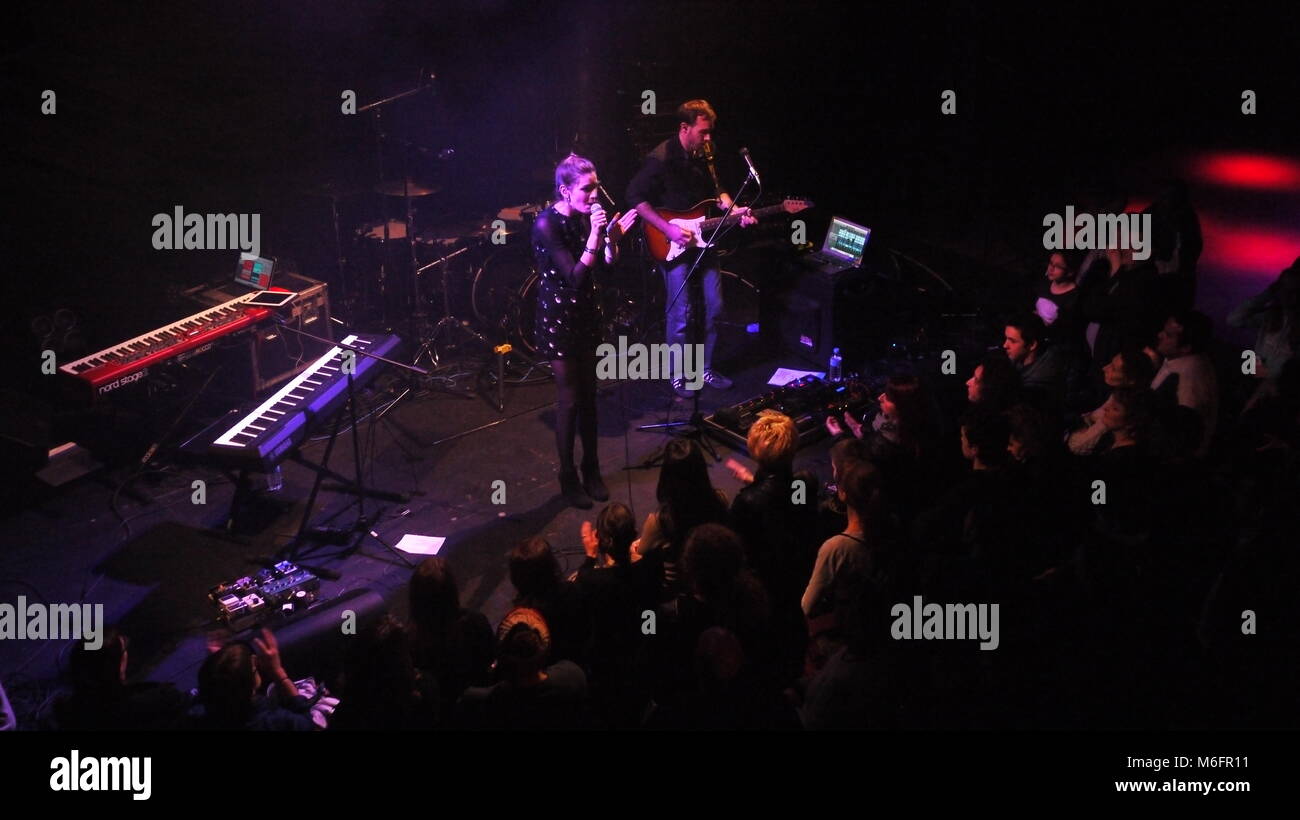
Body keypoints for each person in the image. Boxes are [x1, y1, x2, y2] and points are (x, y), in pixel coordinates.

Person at [626, 99, 756, 398]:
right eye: (703, 132)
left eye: (710, 132)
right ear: (685, 128)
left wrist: (733, 209)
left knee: (715, 306)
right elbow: (634, 197)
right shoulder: (661, 158)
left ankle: (705, 368)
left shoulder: (706, 153)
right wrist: (667, 228)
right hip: (671, 240)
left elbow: (718, 190)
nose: (708, 138)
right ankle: (678, 374)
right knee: (681, 312)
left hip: (703, 238)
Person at [532, 153, 638, 508]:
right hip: (558, 318)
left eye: (596, 187)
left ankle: (591, 468)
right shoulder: (546, 224)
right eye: (587, 189)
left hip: (587, 315)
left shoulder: (583, 218)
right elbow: (575, 277)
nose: (595, 196)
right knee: (570, 399)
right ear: (565, 190)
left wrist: (612, 240)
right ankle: (568, 475)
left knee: (590, 396)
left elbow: (605, 268)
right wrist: (596, 234)